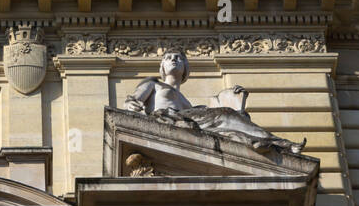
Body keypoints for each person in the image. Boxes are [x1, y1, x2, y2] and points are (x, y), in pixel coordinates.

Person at [124, 49, 305, 156]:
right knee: (224, 113)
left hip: (188, 122)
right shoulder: (153, 83)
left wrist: (235, 103)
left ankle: (270, 144)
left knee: (228, 129)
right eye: (168, 57)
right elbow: (132, 101)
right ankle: (281, 143)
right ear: (162, 66)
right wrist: (132, 106)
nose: (173, 59)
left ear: (186, 68)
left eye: (179, 58)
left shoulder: (186, 102)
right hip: (165, 118)